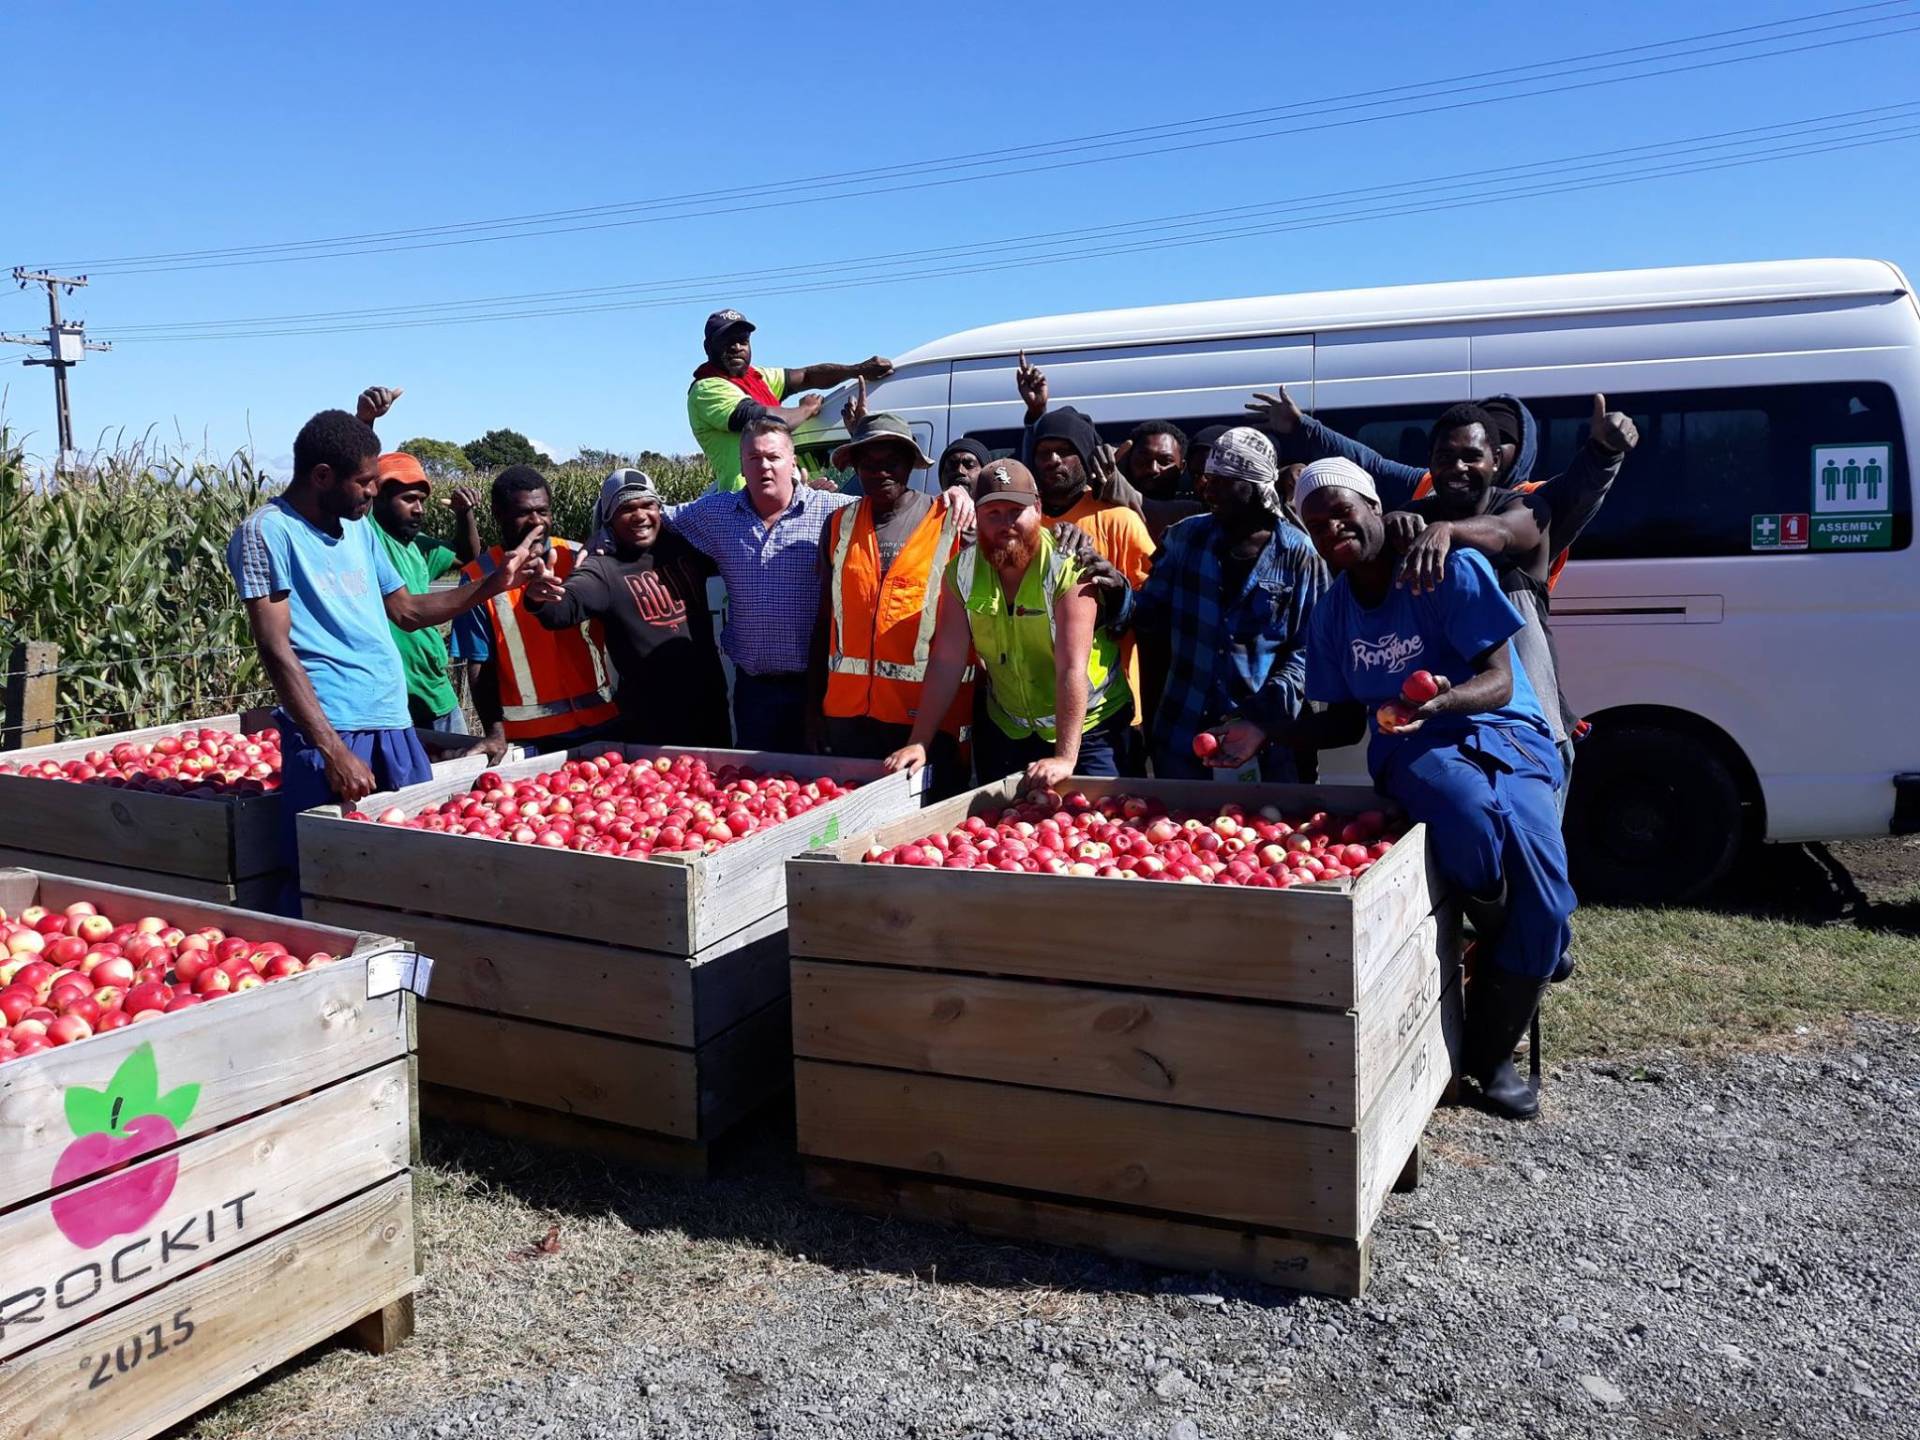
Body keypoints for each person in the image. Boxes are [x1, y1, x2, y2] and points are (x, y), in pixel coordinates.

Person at [1291, 456, 1573, 1120]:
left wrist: (1445, 701)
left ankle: (1490, 1053)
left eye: (1342, 510)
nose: (1333, 527)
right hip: (1412, 747)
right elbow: (1335, 721)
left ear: (1370, 504)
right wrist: (1261, 730)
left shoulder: (1447, 565)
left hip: (1505, 731)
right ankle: (1526, 944)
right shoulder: (1332, 614)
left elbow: (1500, 680)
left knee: (1547, 886)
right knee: (1469, 816)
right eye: (1315, 521)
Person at [226, 409, 539, 896]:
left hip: (392, 721)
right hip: (333, 727)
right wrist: (331, 749)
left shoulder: (358, 529)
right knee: (328, 878)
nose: (374, 493)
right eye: (366, 482)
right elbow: (274, 646)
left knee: (418, 868)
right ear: (323, 477)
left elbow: (408, 611)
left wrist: (493, 585)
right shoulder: (267, 532)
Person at [665, 415, 979, 751]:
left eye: (773, 457)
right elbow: (653, 516)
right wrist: (607, 535)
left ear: (792, 462)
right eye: (754, 458)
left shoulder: (837, 511)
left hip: (856, 695)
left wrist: (962, 494)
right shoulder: (719, 514)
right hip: (758, 692)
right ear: (742, 463)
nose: (764, 467)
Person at [1386, 397, 1639, 808]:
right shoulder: (1412, 518)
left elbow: (1507, 531)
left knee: (1529, 857)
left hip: (1529, 735)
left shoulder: (1526, 507)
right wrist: (1385, 527)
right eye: (1445, 456)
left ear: (1497, 461)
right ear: (1430, 462)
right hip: (1436, 731)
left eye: (1472, 456)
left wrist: (1605, 451)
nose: (1458, 467)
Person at [887, 459, 1132, 786]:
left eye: (1016, 511)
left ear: (1038, 508)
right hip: (1010, 729)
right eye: (993, 514)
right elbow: (947, 660)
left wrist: (1065, 756)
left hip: (1088, 730)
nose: (1006, 524)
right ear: (977, 516)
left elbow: (1072, 667)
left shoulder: (1070, 565)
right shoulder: (961, 572)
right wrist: (920, 741)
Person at [1129, 428, 1327, 780]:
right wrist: (1117, 594)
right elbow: (1148, 616)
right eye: (1207, 478)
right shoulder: (1185, 538)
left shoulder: (1299, 555)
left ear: (1253, 487)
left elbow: (1310, 651)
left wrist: (1260, 719)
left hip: (1265, 743)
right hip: (1182, 735)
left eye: (1221, 480)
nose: (1208, 489)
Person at [811, 412, 972, 782]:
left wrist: (969, 493)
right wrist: (813, 711)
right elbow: (825, 620)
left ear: (911, 465)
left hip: (928, 725)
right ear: (854, 466)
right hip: (848, 721)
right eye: (869, 463)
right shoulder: (838, 524)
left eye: (891, 462)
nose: (880, 471)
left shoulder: (952, 521)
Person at [521, 470, 731, 747]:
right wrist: (539, 598)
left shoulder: (686, 546)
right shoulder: (604, 568)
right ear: (608, 517)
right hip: (652, 728)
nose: (640, 515)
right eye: (626, 508)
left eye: (648, 505)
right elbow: (562, 610)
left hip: (712, 714)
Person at [453, 466, 621, 756]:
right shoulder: (479, 577)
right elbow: (479, 663)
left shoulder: (579, 557)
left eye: (543, 511)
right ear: (498, 514)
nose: (536, 522)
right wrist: (494, 733)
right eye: (523, 513)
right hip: (532, 739)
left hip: (602, 722)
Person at [1024, 405, 1156, 773]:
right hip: (1030, 722)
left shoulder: (1120, 521)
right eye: (1042, 451)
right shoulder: (1020, 525)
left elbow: (1152, 613)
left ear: (1084, 455)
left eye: (1063, 450)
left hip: (1109, 716)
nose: (1051, 460)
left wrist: (1117, 593)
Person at [688, 308, 894, 494]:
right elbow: (764, 424)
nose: (736, 347)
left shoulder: (757, 377)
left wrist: (857, 370)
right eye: (726, 341)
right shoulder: (707, 389)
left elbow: (806, 376)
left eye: (743, 341)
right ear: (708, 347)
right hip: (743, 504)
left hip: (779, 498)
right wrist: (806, 409)